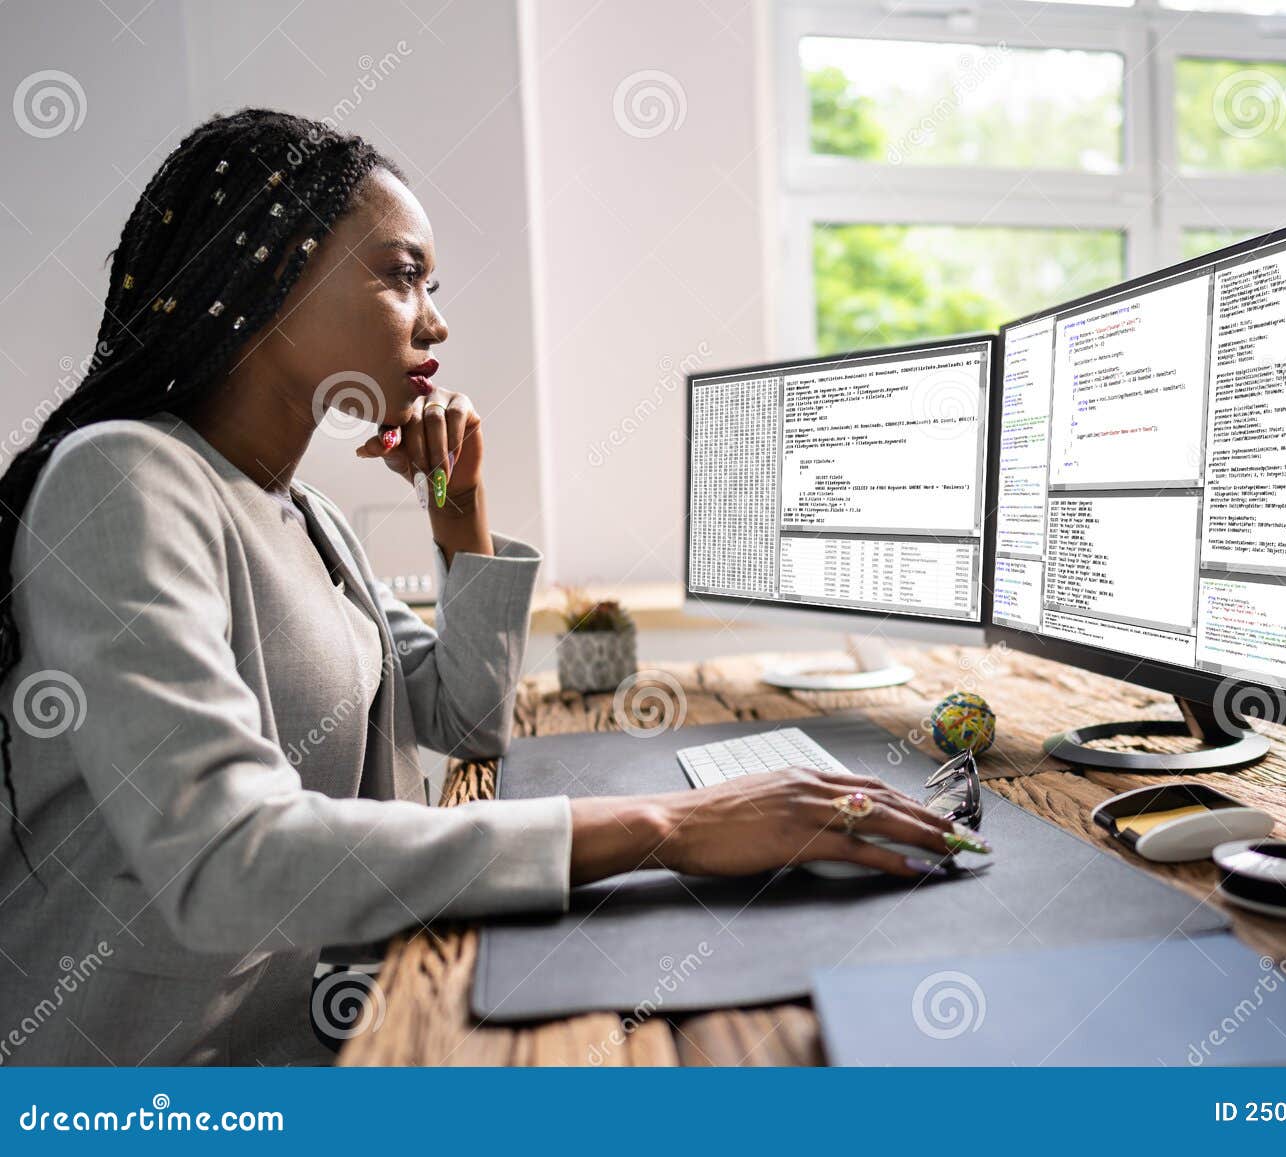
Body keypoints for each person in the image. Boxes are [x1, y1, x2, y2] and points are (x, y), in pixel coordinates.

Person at [0, 109, 976, 1066]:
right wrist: (669, 826)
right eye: (401, 276)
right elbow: (226, 860)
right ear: (270, 275)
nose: (437, 318)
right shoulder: (126, 474)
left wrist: (456, 514)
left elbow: (465, 716)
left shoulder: (305, 515)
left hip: (333, 1034)